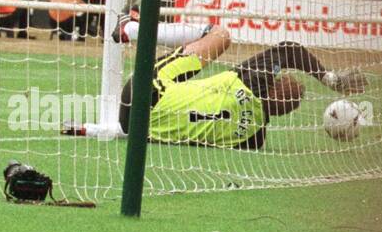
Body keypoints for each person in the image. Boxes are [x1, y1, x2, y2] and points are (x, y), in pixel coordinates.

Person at [113, 27, 366, 149]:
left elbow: (290, 50)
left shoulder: (251, 81)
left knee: (219, 35)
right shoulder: (254, 139)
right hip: (141, 130)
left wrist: (331, 79)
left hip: (143, 94)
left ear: (272, 83)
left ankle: (131, 28)